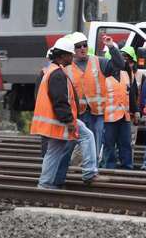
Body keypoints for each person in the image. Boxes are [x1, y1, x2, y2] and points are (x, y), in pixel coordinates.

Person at [32, 37, 104, 188]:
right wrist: (69, 120)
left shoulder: (54, 71)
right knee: (87, 135)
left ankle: (45, 184)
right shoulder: (57, 74)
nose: (73, 57)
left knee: (53, 152)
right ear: (62, 55)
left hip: (54, 119)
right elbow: (60, 101)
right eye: (70, 54)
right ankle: (89, 173)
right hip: (60, 119)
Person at [66, 31, 125, 168]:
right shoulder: (66, 66)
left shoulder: (98, 62)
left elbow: (120, 65)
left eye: (84, 45)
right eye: (78, 46)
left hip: (96, 113)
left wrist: (111, 47)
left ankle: (91, 168)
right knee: (74, 142)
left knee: (96, 142)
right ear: (72, 49)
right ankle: (74, 167)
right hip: (76, 113)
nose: (82, 49)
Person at [101, 46, 137, 169]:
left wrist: (135, 110)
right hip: (108, 118)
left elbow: (130, 93)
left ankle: (127, 166)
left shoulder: (125, 75)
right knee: (109, 144)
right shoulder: (102, 77)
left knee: (126, 143)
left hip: (124, 116)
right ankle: (109, 167)